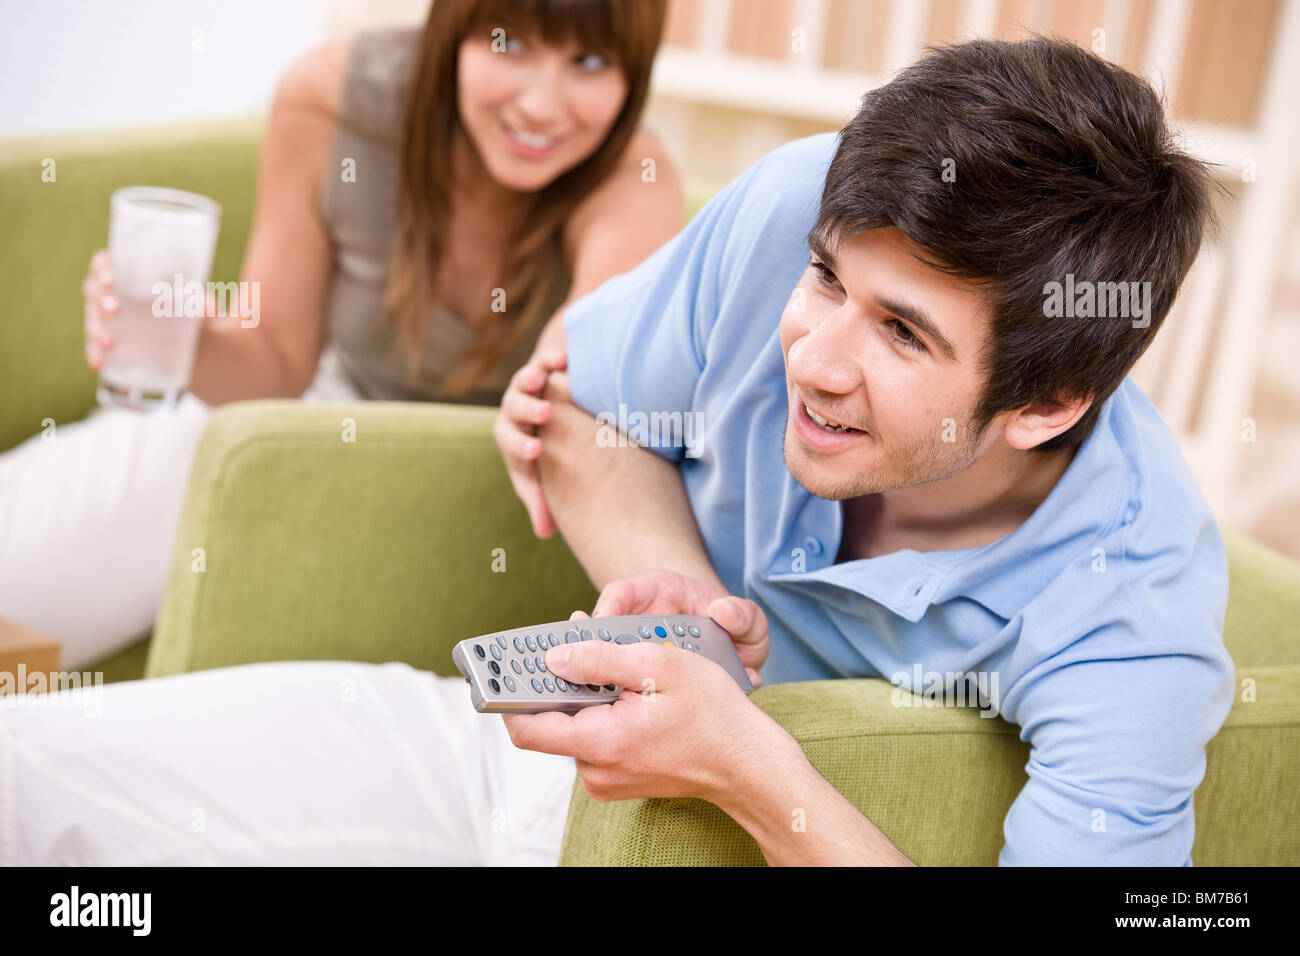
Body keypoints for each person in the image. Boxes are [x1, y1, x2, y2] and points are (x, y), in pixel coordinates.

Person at [0, 36, 1231, 866]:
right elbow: (576, 411)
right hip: (518, 764)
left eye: (902, 335)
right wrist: (688, 602)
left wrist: (747, 765)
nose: (813, 353)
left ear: (1047, 403)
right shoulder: (809, 203)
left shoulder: (1132, 617)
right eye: (826, 283)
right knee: (28, 776)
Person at [0, 0, 678, 669]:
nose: (541, 105)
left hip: (481, 493)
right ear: (454, 28)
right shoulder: (335, 100)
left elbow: (577, 358)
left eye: (589, 61)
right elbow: (274, 363)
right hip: (314, 427)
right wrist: (185, 337)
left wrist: (558, 381)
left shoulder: (633, 175)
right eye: (509, 44)